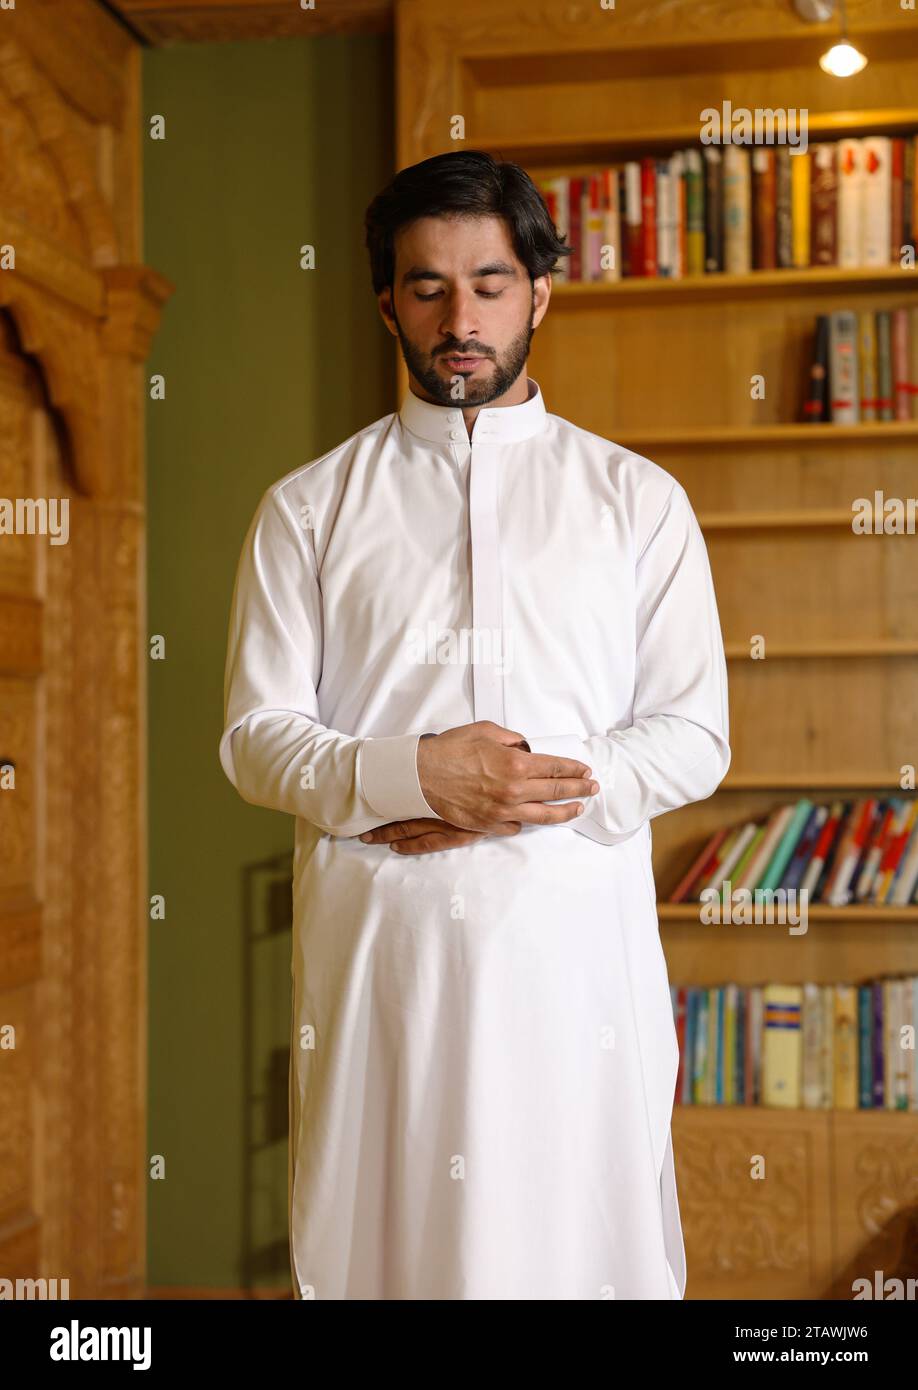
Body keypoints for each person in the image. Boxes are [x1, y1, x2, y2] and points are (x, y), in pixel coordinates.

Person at [219, 149, 730, 1300]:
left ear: (541, 291)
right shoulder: (308, 508)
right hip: (383, 965)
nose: (462, 317)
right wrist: (414, 775)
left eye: (491, 282)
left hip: (576, 969)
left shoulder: (636, 503)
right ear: (386, 301)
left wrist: (506, 792)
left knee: (583, 1253)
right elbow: (256, 735)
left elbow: (693, 734)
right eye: (429, 286)